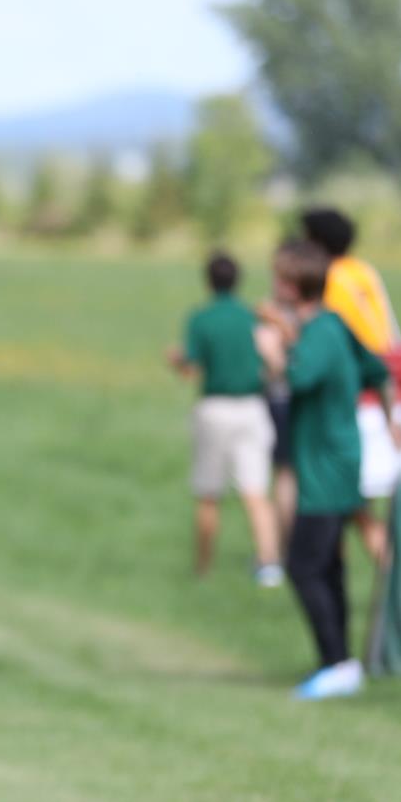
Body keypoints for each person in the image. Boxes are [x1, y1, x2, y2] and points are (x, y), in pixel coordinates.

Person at [255, 242, 397, 700]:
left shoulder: (317, 334)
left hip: (324, 466)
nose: (273, 287)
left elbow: (296, 379)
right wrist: (394, 419)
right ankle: (339, 663)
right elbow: (377, 369)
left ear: (293, 287)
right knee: (329, 562)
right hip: (340, 456)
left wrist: (273, 351)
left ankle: (336, 662)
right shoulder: (334, 324)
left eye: (279, 279)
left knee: (303, 565)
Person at [301, 208, 401, 565]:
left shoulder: (329, 280)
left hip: (365, 398)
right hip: (397, 386)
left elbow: (331, 342)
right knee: (354, 506)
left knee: (349, 504)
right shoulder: (363, 271)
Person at [167, 251, 281, 585]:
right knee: (256, 491)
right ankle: (269, 562)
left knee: (208, 493)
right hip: (253, 407)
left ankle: (203, 567)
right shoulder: (251, 317)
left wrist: (175, 360)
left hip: (214, 409)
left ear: (208, 281)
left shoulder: (201, 319)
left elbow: (190, 370)